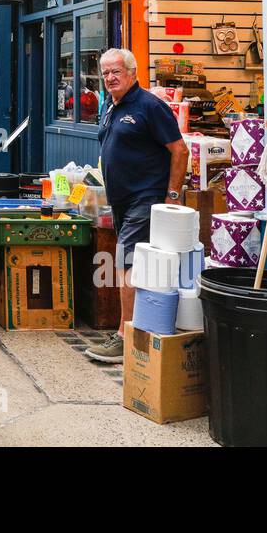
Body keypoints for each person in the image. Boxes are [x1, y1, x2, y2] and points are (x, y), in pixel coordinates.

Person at [86, 48, 189, 364]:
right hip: (120, 200)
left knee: (125, 264)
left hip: (145, 199)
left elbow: (180, 150)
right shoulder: (110, 105)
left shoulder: (149, 106)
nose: (110, 78)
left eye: (116, 72)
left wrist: (171, 196)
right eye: (105, 73)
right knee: (135, 264)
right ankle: (139, 329)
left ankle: (124, 336)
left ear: (132, 72)